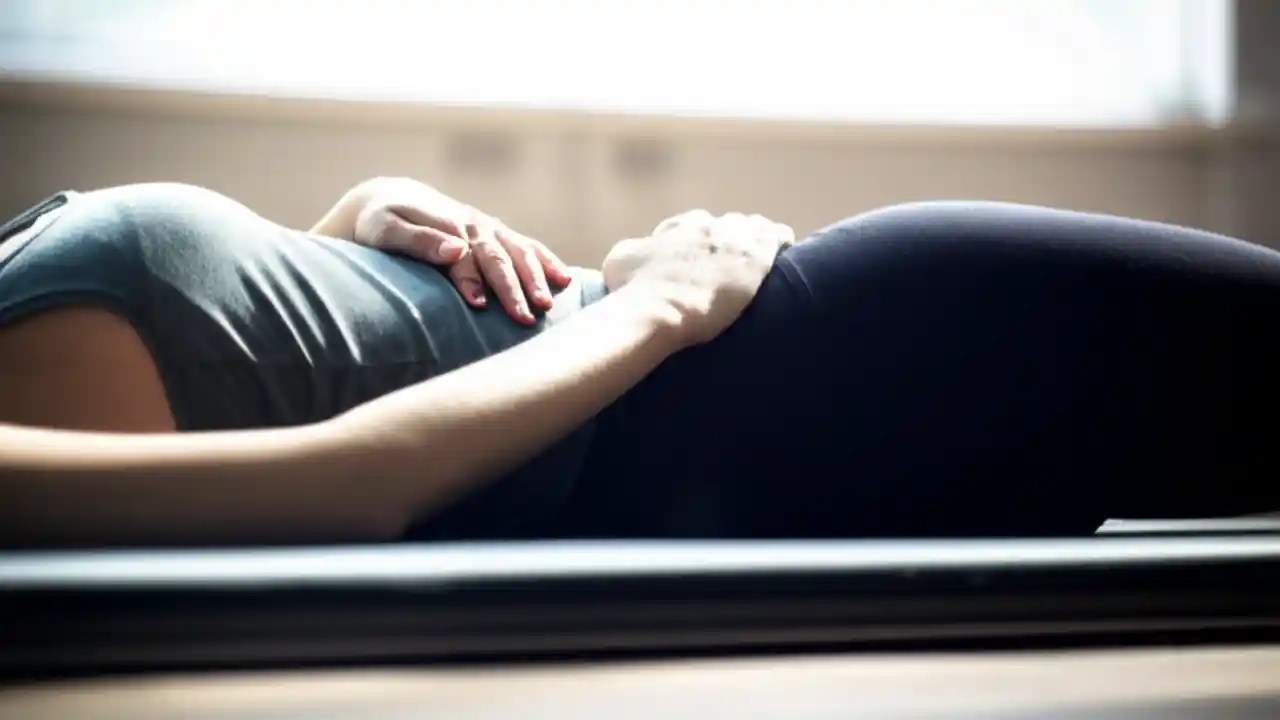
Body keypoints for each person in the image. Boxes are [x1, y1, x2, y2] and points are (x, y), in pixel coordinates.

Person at [0, 178, 1276, 547]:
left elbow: (250, 368)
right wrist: (655, 308)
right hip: (766, 395)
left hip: (761, 360)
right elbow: (345, 486)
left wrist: (355, 216)